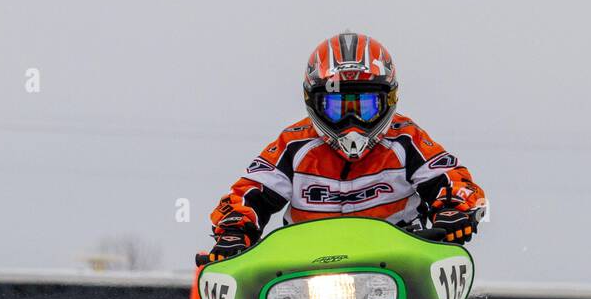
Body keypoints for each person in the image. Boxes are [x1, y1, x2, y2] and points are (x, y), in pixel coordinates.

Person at [205, 31, 487, 263]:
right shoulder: (293, 145)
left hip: (402, 265)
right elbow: (250, 190)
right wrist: (233, 230)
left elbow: (449, 176)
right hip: (305, 272)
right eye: (337, 107)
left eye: (365, 107)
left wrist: (454, 209)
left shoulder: (406, 140)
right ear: (313, 102)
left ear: (388, 101)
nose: (352, 122)